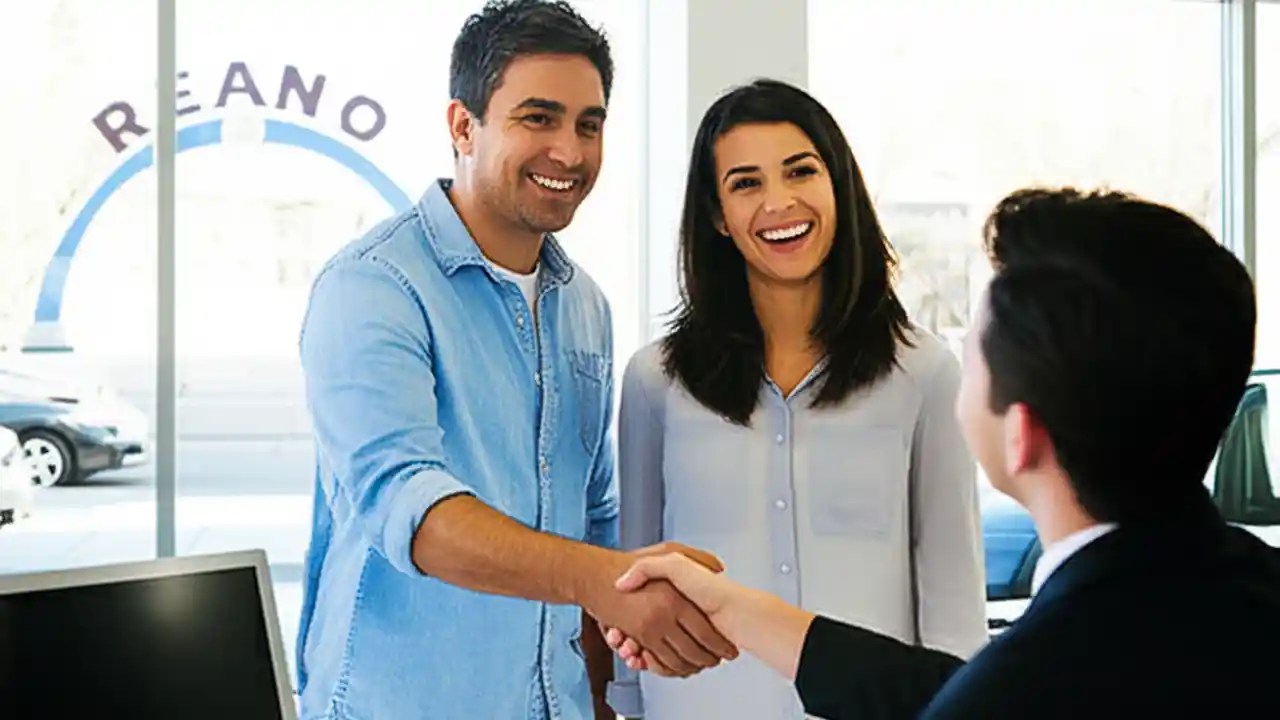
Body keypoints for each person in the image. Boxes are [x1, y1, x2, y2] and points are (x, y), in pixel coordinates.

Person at [608, 187, 1280, 719]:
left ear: (1023, 435)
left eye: (974, 352)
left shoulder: (1025, 686)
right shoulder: (1236, 601)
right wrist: (733, 607)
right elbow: (936, 693)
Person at [294, 2, 734, 718]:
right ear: (463, 126)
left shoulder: (584, 304)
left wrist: (601, 692)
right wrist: (600, 576)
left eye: (588, 125)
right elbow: (411, 509)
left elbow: (592, 516)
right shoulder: (372, 287)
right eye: (538, 117)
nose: (570, 151)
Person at [605, 79, 987, 719]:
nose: (778, 203)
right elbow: (634, 588)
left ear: (838, 186)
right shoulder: (654, 381)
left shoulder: (924, 375)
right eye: (746, 183)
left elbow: (954, 607)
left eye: (800, 171)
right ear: (717, 217)